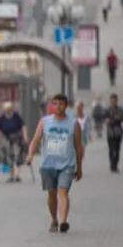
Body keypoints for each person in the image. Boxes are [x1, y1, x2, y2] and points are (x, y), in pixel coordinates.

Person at [26, 93, 83, 233]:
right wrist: (30, 155)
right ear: (52, 105)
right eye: (55, 104)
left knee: (62, 192)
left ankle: (63, 221)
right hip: (48, 165)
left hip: (66, 165)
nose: (58, 107)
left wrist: (79, 167)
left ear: (66, 106)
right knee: (52, 193)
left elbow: (78, 146)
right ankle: (54, 219)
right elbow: (36, 140)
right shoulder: (45, 121)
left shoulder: (73, 124)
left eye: (61, 104)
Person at [0, 102, 28, 182]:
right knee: (7, 156)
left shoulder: (16, 116)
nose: (7, 111)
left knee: (17, 156)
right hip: (6, 138)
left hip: (16, 138)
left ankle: (17, 175)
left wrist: (25, 136)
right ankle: (11, 175)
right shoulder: (2, 117)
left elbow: (23, 126)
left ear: (11, 109)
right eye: (6, 109)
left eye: (8, 109)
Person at [105, 93, 123, 172]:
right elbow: (104, 119)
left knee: (117, 149)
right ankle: (112, 164)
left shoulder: (121, 109)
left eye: (114, 101)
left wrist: (119, 118)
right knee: (111, 149)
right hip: (110, 132)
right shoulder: (107, 109)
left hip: (118, 131)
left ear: (117, 101)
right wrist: (107, 121)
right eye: (112, 101)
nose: (113, 102)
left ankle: (115, 165)